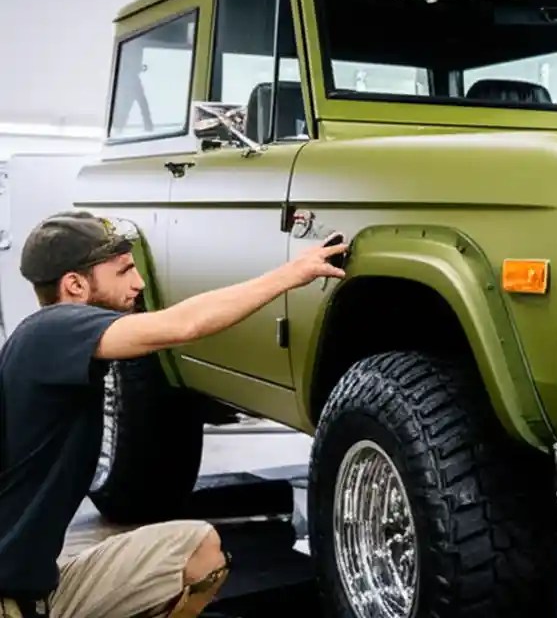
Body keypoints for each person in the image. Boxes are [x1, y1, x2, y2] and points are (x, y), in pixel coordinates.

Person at [0, 211, 347, 617]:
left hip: (42, 593)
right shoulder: (49, 331)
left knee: (197, 550)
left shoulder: (55, 349)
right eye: (124, 271)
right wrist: (294, 272)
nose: (139, 282)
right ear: (75, 284)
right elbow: (184, 325)